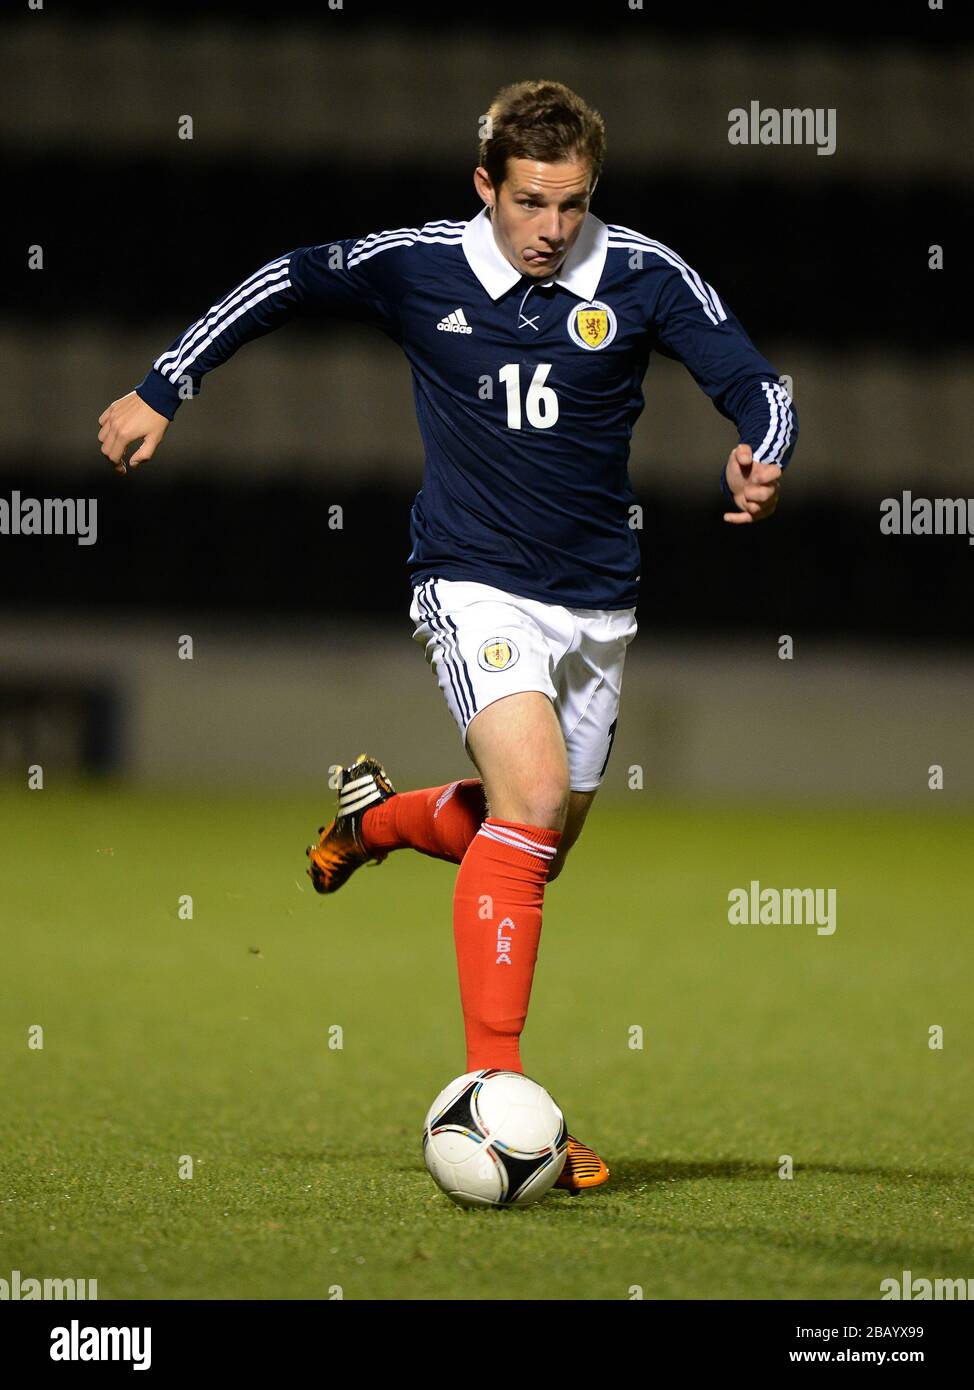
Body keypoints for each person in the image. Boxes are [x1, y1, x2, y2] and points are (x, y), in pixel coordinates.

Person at [98, 79, 797, 1194]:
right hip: (473, 583)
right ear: (485, 184)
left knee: (532, 848)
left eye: (570, 205)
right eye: (528, 203)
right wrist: (160, 387)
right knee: (524, 811)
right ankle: (500, 1097)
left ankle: (377, 820)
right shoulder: (422, 263)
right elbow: (283, 279)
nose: (550, 229)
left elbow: (759, 386)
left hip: (596, 605)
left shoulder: (642, 275)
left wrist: (763, 454)